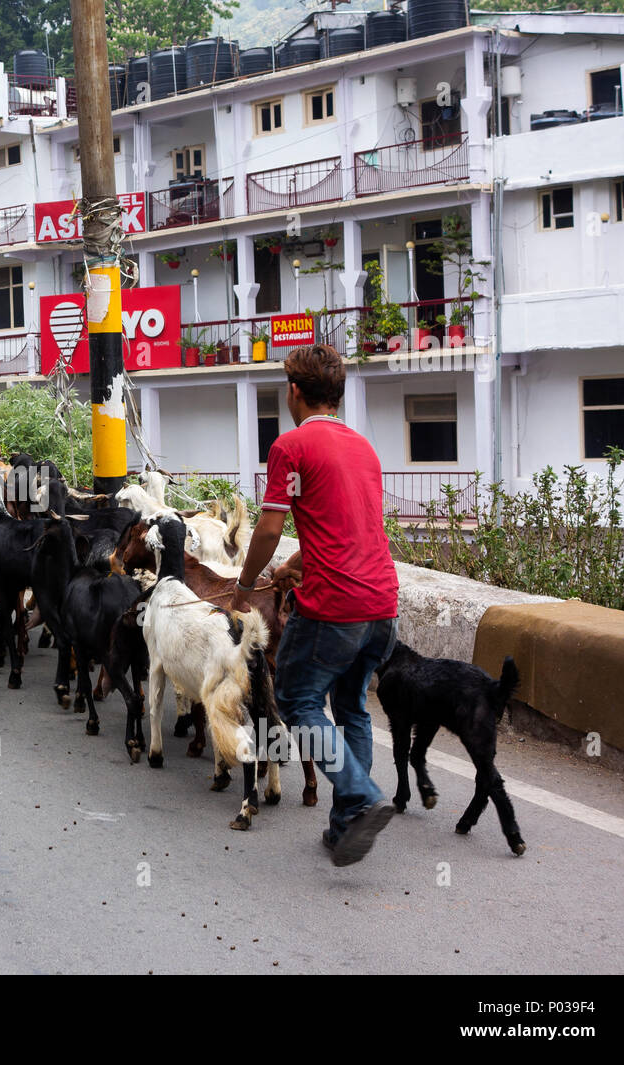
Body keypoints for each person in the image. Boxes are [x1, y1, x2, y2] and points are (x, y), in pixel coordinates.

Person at [230, 343, 400, 867]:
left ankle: (362, 795)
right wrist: (295, 566)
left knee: (298, 699)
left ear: (295, 392)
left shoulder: (292, 446)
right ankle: (346, 825)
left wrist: (247, 583)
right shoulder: (363, 449)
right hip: (382, 606)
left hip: (337, 608)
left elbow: (269, 526)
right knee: (351, 707)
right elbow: (346, 527)